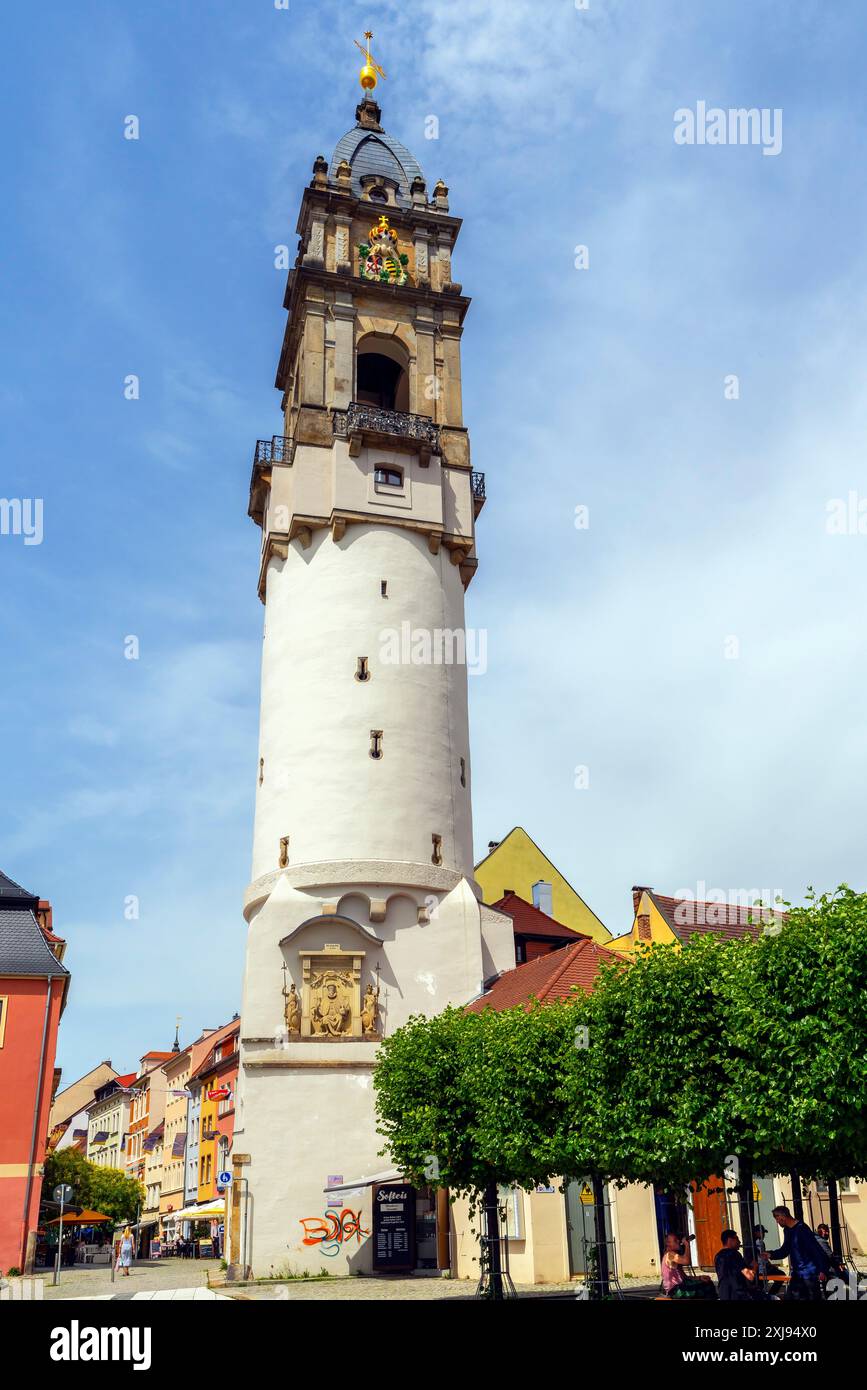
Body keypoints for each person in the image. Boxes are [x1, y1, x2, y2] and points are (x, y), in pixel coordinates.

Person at [765, 1206, 829, 1300]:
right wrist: (771, 1254)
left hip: (808, 1273)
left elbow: (816, 1249)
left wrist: (822, 1270)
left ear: (782, 1217)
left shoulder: (802, 1229)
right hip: (797, 1273)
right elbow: (785, 1250)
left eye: (777, 1219)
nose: (777, 1222)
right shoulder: (787, 1230)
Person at [661, 1231, 717, 1300]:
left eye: (678, 1239)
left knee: (706, 1282)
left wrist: (699, 1278)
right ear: (668, 1243)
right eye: (675, 1240)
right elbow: (686, 1261)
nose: (678, 1241)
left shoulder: (673, 1256)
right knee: (707, 1287)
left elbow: (684, 1277)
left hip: (680, 1287)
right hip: (676, 1290)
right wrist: (687, 1244)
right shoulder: (670, 1254)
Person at [714, 1230, 761, 1300]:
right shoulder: (735, 1254)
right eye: (737, 1239)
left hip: (723, 1294)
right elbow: (750, 1276)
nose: (739, 1242)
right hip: (738, 1295)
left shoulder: (718, 1256)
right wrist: (754, 1267)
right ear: (730, 1240)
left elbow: (732, 1273)